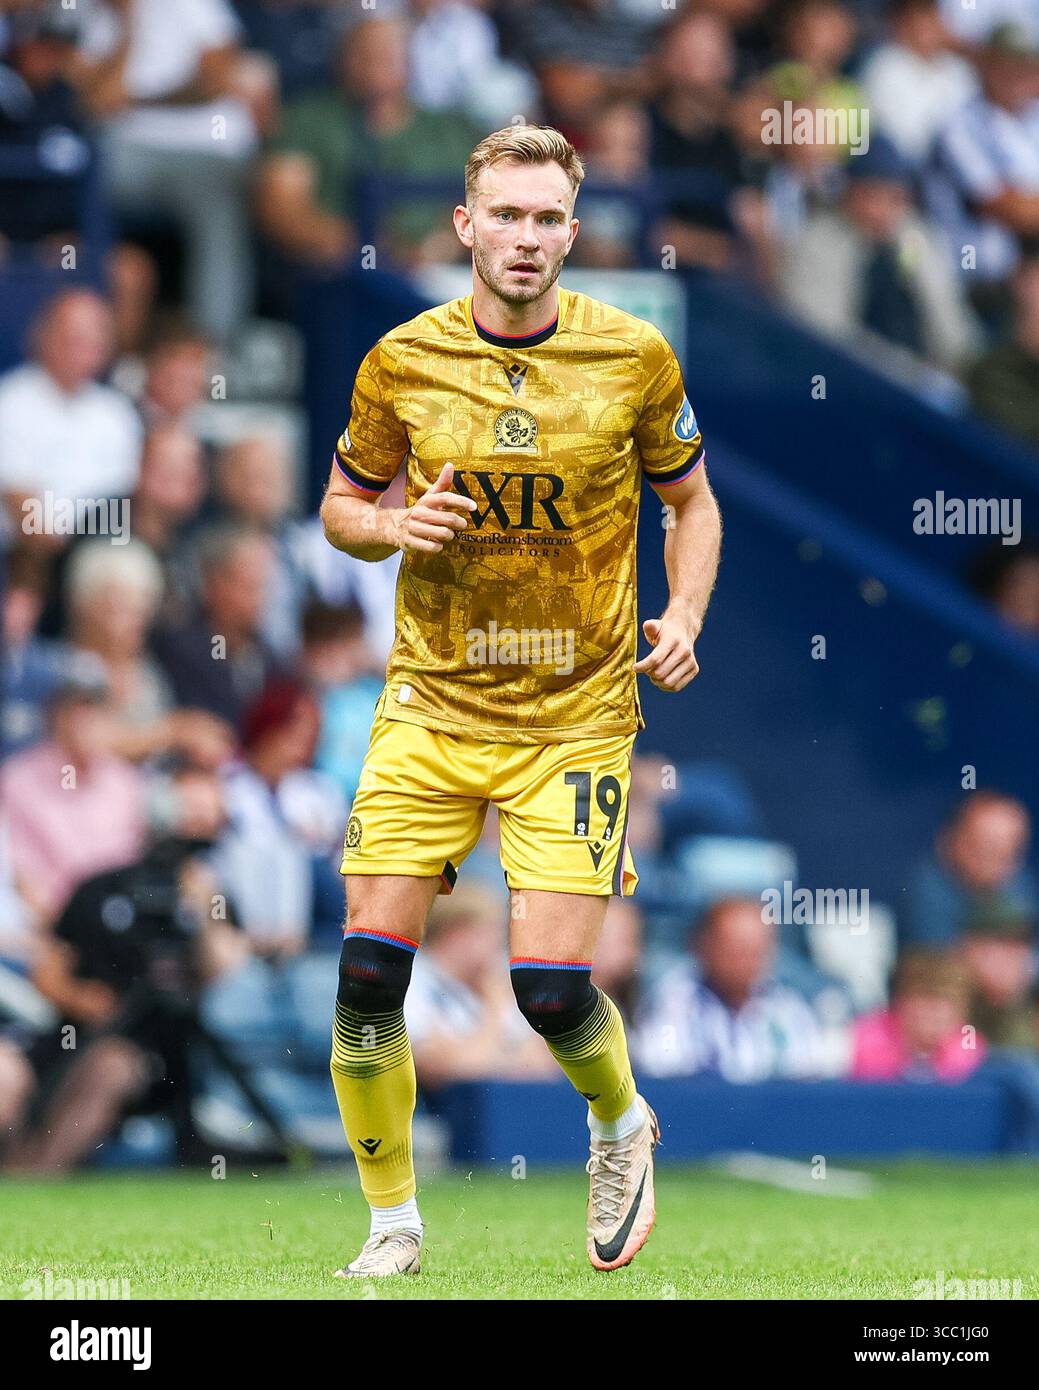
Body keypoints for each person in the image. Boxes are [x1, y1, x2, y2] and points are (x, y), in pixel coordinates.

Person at [318, 124, 722, 1277]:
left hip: (575, 717)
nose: (527, 238)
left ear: (574, 233)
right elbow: (342, 508)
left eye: (549, 219)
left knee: (547, 990)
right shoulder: (400, 359)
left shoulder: (633, 356)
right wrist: (393, 524)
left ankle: (619, 1121)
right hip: (430, 706)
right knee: (363, 975)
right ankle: (393, 1220)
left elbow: (692, 505)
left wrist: (684, 613)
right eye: (507, 214)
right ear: (466, 225)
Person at [633, 897, 831, 1081]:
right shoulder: (672, 1002)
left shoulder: (789, 1009)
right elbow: (664, 1070)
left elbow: (808, 1076)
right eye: (736, 948)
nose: (746, 960)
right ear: (704, 945)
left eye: (756, 950)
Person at [903, 791, 1036, 948]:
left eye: (1012, 851)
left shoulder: (1020, 885)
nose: (1000, 862)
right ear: (949, 841)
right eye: (987, 848)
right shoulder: (926, 890)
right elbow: (936, 959)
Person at [849, 949, 985, 1081]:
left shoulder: (969, 1046)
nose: (935, 1010)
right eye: (924, 998)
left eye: (947, 1000)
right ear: (900, 1001)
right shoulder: (864, 1038)